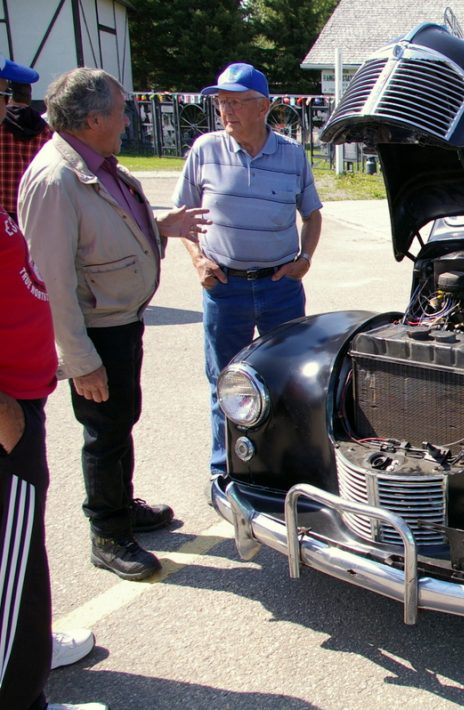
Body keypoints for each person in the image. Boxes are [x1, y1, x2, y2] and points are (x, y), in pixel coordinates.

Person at [18, 68, 207, 582]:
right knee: (103, 431)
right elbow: (49, 281)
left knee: (120, 420)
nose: (128, 117)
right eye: (122, 109)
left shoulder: (94, 164)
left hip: (119, 321)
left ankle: (120, 505)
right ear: (95, 118)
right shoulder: (56, 178)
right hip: (96, 331)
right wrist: (80, 361)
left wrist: (161, 227)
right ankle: (107, 533)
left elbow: (109, 229)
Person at [1, 56, 104, 710]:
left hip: (23, 396)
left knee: (22, 565)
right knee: (13, 574)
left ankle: (27, 654)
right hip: (5, 410)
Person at [173, 62, 322, 481]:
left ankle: (284, 468)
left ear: (265, 107)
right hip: (225, 287)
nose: (227, 110)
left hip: (280, 288)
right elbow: (182, 219)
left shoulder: (292, 155)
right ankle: (226, 471)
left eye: (237, 102)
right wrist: (199, 261)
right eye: (222, 102)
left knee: (289, 379)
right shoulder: (205, 150)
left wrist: (305, 260)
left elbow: (312, 215)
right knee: (225, 383)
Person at [1, 74, 52, 223]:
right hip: (32, 203)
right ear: (29, 98)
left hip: (3, 205)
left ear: (9, 96)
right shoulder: (46, 130)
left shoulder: (1, 124)